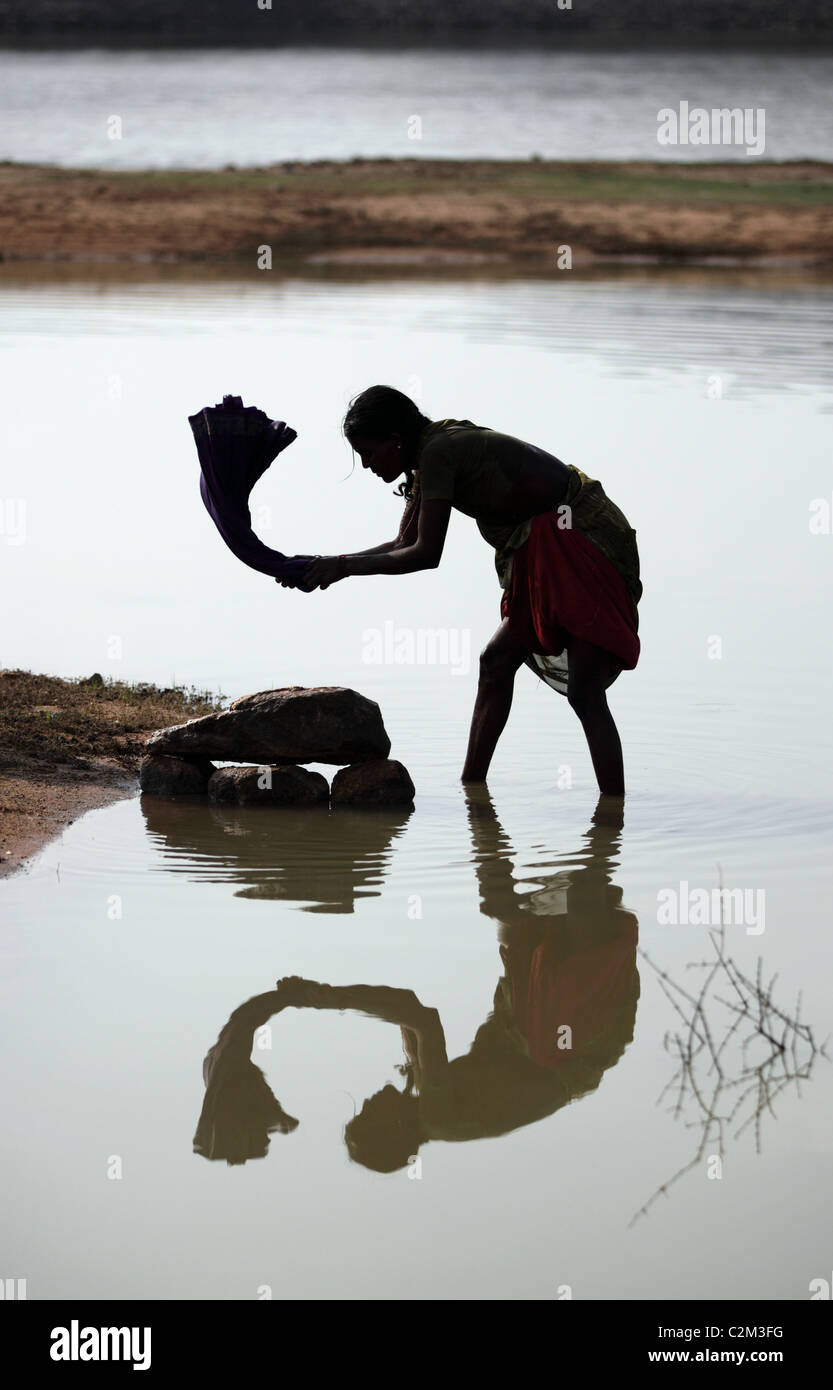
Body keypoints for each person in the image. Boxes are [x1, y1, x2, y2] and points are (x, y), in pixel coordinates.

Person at [287, 385, 642, 794]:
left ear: (395, 439)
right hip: (544, 545)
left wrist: (343, 567)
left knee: (584, 691)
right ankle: (473, 793)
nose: (366, 465)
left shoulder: (439, 452)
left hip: (578, 536)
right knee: (496, 663)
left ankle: (612, 818)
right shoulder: (428, 455)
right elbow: (403, 542)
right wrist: (331, 564)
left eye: (368, 452)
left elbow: (424, 554)